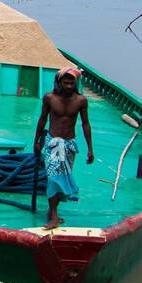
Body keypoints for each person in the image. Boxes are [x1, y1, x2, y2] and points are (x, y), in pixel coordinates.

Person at [33, 66, 94, 229]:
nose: (68, 83)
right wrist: (36, 141)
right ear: (59, 82)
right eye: (65, 80)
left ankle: (52, 211)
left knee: (63, 178)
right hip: (53, 143)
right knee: (53, 178)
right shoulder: (49, 98)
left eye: (71, 80)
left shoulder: (81, 101)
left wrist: (90, 148)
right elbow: (42, 119)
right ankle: (54, 216)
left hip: (69, 144)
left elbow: (86, 124)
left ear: (76, 82)